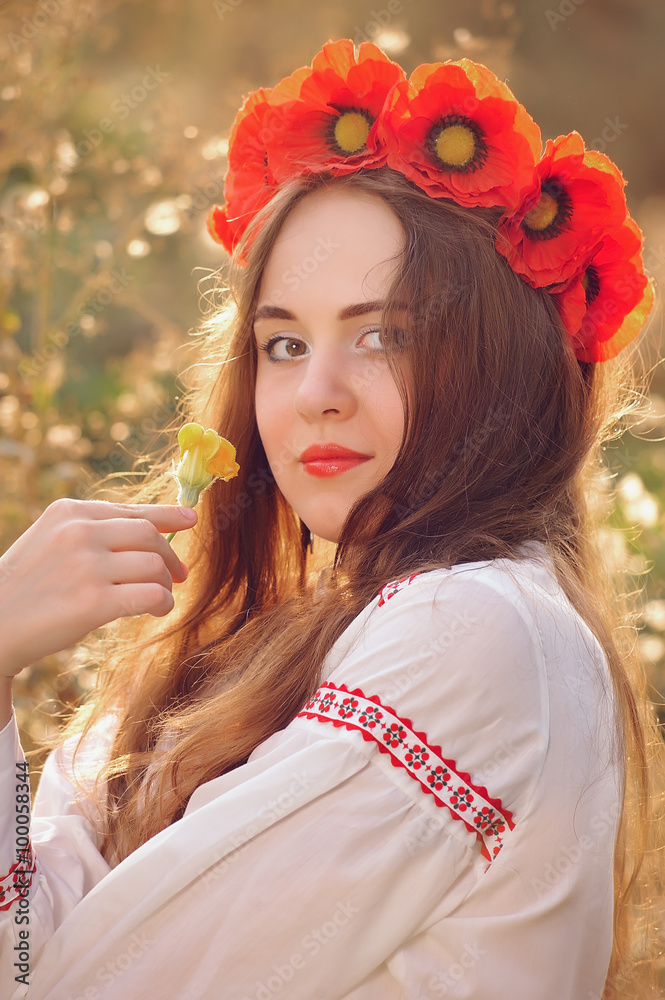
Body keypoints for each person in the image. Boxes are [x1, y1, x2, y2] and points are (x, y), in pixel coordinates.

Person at [0, 38, 662, 1000]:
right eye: (282, 341)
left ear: (501, 362)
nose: (315, 393)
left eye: (385, 335)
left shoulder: (474, 627)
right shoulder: (293, 640)